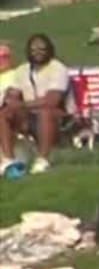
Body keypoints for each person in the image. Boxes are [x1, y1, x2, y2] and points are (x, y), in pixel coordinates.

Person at [0, 34, 69, 175]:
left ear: (49, 50)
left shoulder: (58, 69)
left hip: (58, 116)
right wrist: (10, 99)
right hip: (29, 115)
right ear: (28, 52)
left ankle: (42, 159)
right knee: (5, 112)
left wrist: (21, 105)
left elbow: (52, 100)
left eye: (42, 49)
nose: (37, 52)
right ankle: (9, 160)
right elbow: (13, 93)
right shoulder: (22, 70)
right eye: (34, 49)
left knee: (45, 111)